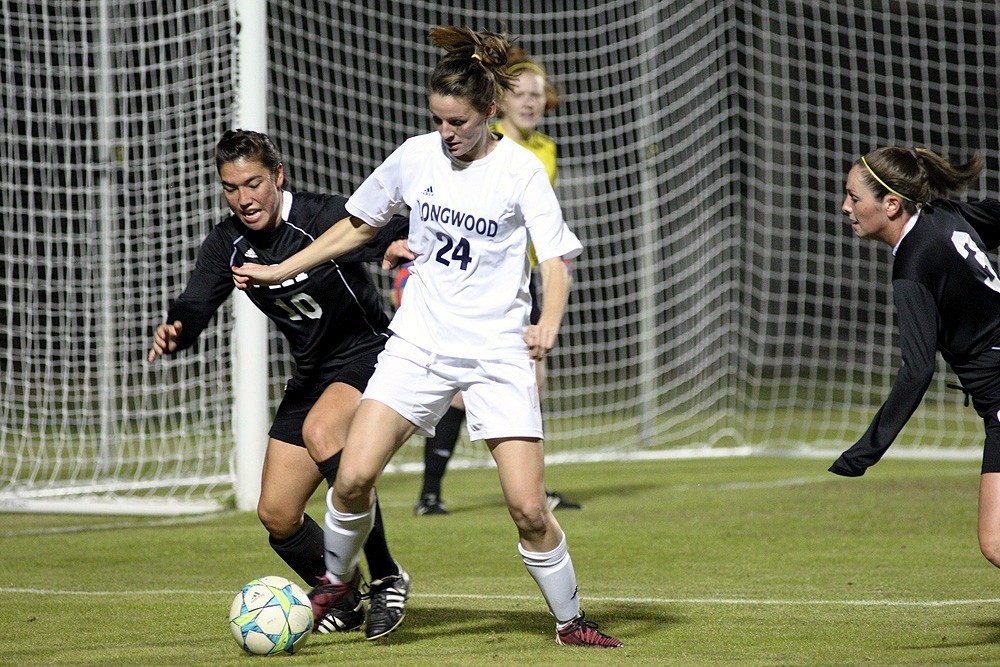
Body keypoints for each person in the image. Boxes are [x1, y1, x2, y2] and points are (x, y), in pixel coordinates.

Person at [233, 26, 623, 648]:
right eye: (438, 119)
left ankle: (572, 622)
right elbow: (357, 226)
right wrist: (281, 269)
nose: (447, 133)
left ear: (488, 112)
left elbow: (554, 260)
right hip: (418, 345)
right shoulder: (417, 155)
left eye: (459, 122)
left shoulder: (521, 173)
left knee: (527, 507)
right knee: (353, 476)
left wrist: (545, 325)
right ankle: (339, 582)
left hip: (497, 352)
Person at [148, 129, 412, 640]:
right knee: (277, 513)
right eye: (231, 188)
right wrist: (177, 328)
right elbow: (196, 304)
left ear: (278, 176)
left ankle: (387, 579)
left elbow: (376, 227)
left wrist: (397, 242)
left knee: (323, 433)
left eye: (253, 184)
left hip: (367, 354)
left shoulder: (317, 215)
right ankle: (345, 595)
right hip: (311, 374)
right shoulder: (228, 242)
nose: (244, 199)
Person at [407, 47, 582, 517]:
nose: (529, 101)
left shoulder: (542, 150)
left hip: (521, 280)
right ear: (497, 102)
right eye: (520, 93)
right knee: (463, 388)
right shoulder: (486, 145)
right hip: (472, 282)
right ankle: (430, 491)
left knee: (527, 384)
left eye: (537, 94)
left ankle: (526, 492)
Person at [830, 146, 1000, 569]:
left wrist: (863, 452)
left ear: (890, 204)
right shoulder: (944, 217)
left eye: (854, 197)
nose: (845, 207)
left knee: (996, 541)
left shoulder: (912, 264)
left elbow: (918, 369)